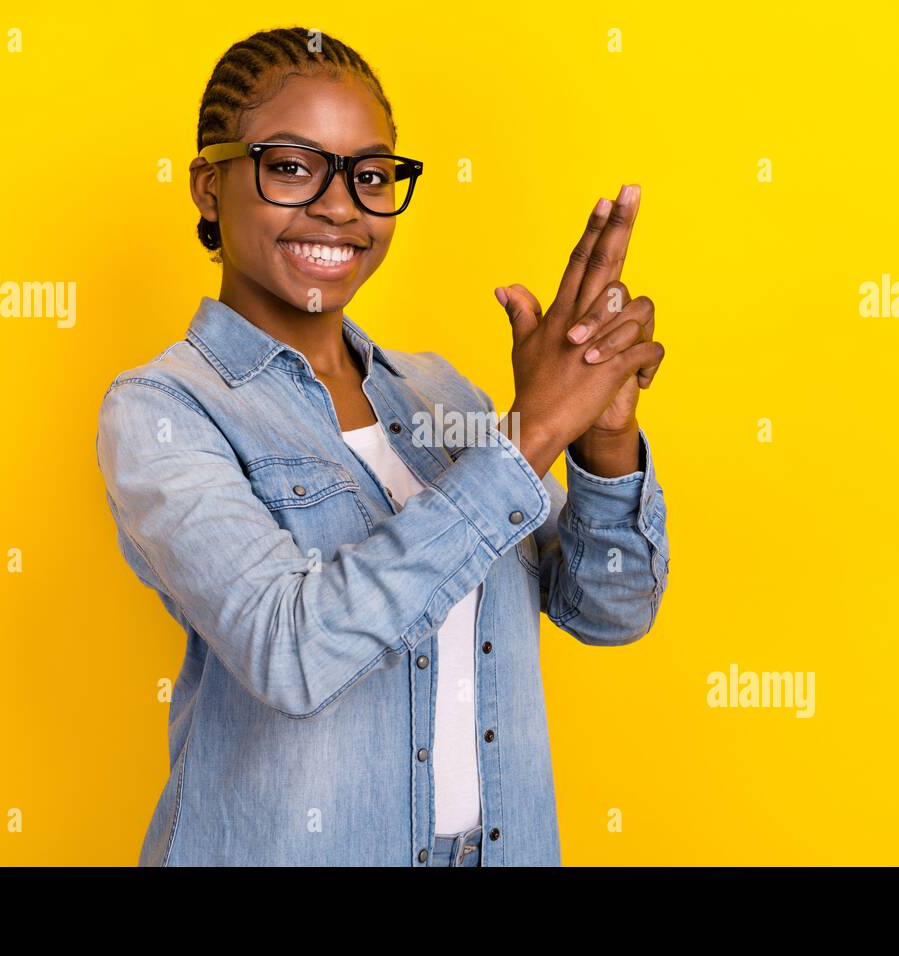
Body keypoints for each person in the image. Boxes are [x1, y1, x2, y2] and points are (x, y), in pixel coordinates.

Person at [95, 26, 670, 867]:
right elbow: (292, 651)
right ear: (209, 187)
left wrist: (603, 436)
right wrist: (536, 432)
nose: (340, 206)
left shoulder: (443, 396)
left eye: (369, 176)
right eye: (292, 166)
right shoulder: (165, 408)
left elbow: (609, 611)